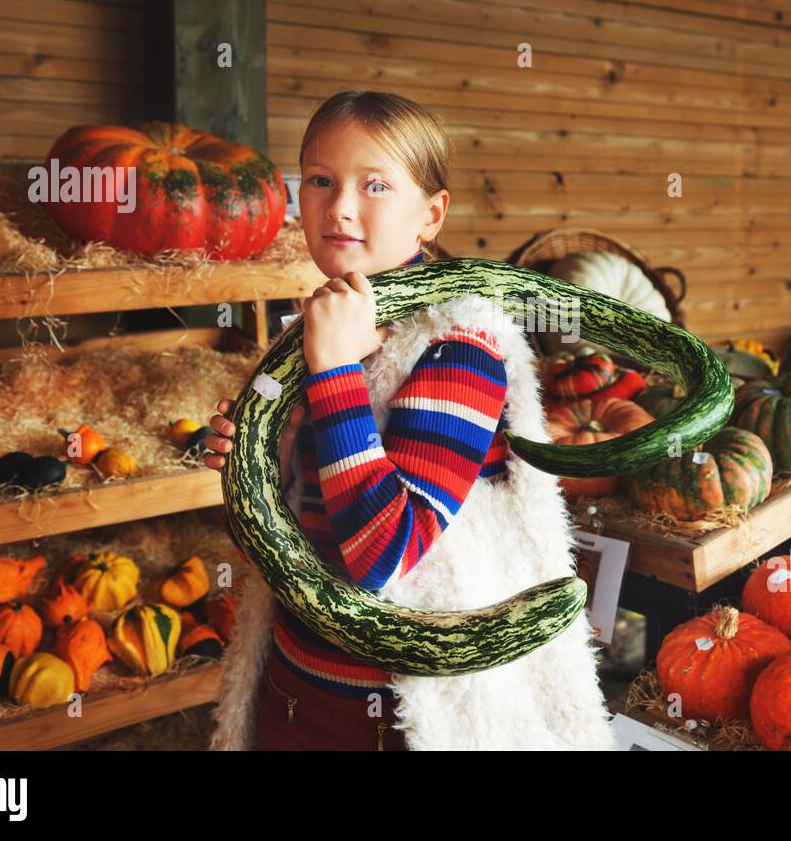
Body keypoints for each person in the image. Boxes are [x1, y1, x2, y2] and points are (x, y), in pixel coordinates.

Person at [201, 90, 615, 751]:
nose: (339, 205)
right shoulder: (320, 325)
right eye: (319, 180)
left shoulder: (459, 347)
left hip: (398, 711)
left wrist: (334, 373)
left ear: (431, 214)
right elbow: (291, 526)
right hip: (295, 684)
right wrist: (249, 467)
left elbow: (381, 554)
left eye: (374, 184)